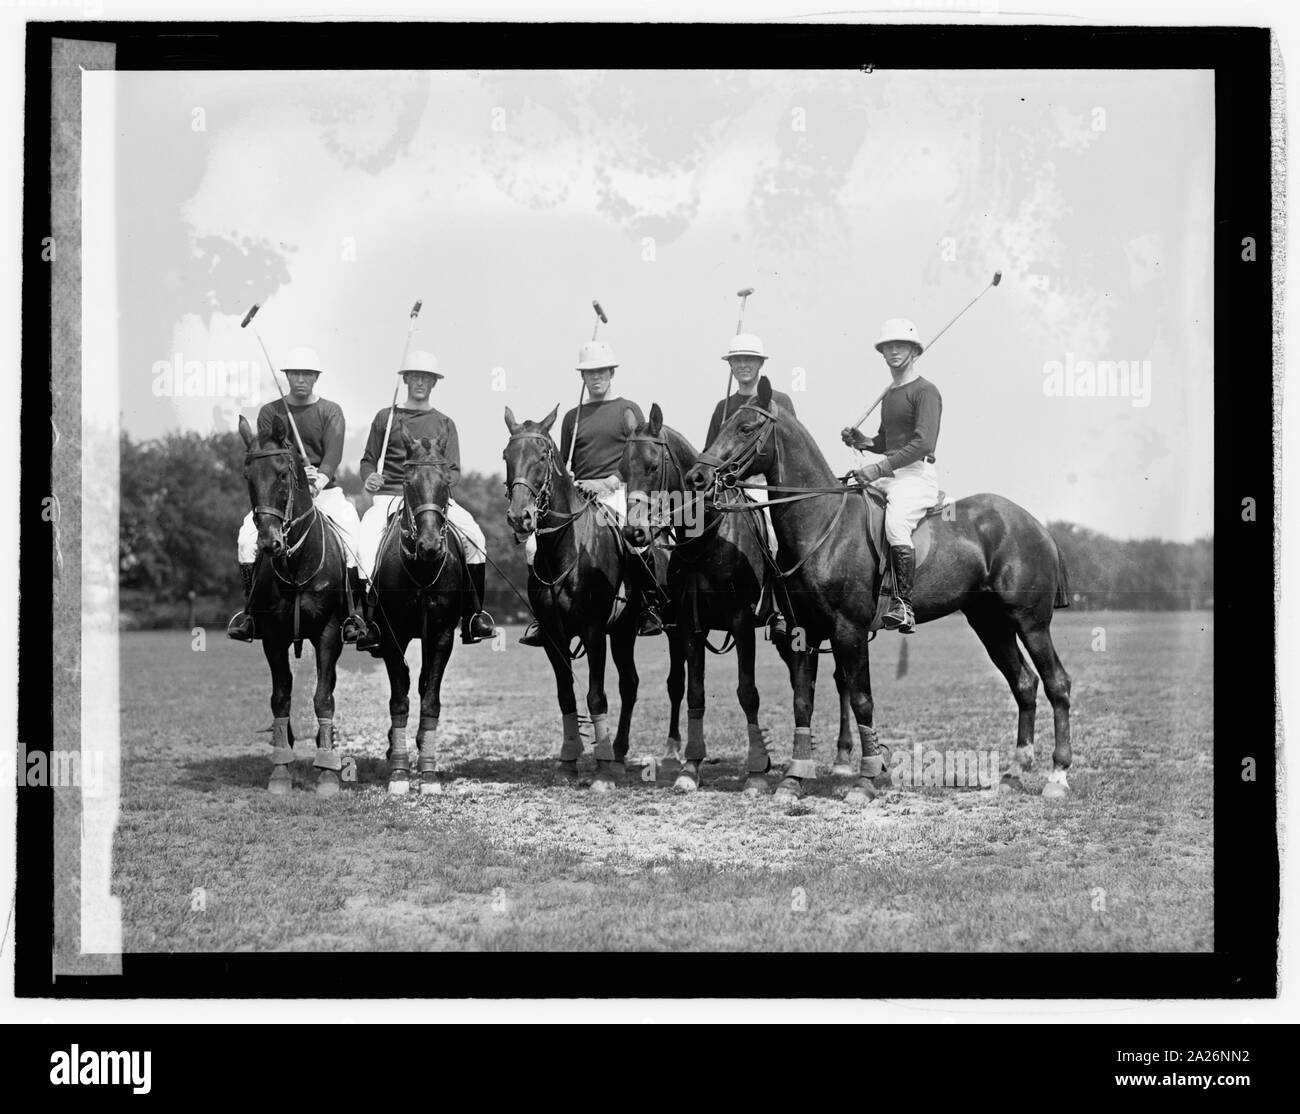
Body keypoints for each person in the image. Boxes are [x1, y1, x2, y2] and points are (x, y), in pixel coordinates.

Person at [519, 339, 660, 647]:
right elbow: (566, 460)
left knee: (636, 541)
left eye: (601, 372)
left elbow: (637, 457)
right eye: (589, 373)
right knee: (533, 546)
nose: (596, 378)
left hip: (619, 490)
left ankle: (649, 608)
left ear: (611, 373)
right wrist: (569, 481)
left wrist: (611, 480)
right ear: (582, 377)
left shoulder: (628, 409)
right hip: (579, 494)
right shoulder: (572, 416)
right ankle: (542, 618)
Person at [354, 350, 496, 649]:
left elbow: (454, 470)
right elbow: (368, 460)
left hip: (433, 501)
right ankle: (368, 620)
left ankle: (473, 616)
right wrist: (369, 478)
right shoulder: (386, 417)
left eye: (426, 378)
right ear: (406, 380)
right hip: (390, 497)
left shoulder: (445, 423)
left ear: (434, 383)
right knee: (364, 545)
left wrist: (436, 486)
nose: (420, 382)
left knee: (476, 538)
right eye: (415, 377)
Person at [227, 346, 366, 643]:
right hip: (280, 499)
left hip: (325, 493)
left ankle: (353, 614)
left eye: (307, 374)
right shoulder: (270, 412)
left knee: (354, 537)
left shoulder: (330, 411)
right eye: (295, 374)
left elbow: (334, 451)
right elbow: (266, 455)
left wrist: (321, 476)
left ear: (316, 377)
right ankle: (251, 613)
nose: (300, 379)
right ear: (287, 376)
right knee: (245, 540)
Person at [840, 318, 942, 633]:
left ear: (914, 350)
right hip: (891, 471)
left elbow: (922, 443)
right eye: (888, 347)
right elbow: (886, 442)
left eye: (900, 345)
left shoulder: (926, 391)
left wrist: (879, 467)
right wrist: (863, 442)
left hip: (915, 474)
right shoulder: (890, 394)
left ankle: (903, 604)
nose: (894, 351)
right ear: (882, 353)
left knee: (896, 523)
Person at [705, 332, 793, 639]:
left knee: (774, 537)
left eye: (749, 359)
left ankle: (779, 610)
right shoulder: (723, 407)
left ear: (760, 363)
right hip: (728, 489)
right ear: (730, 365)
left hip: (761, 485)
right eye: (736, 360)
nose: (743, 365)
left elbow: (789, 450)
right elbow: (710, 452)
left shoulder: (779, 401)